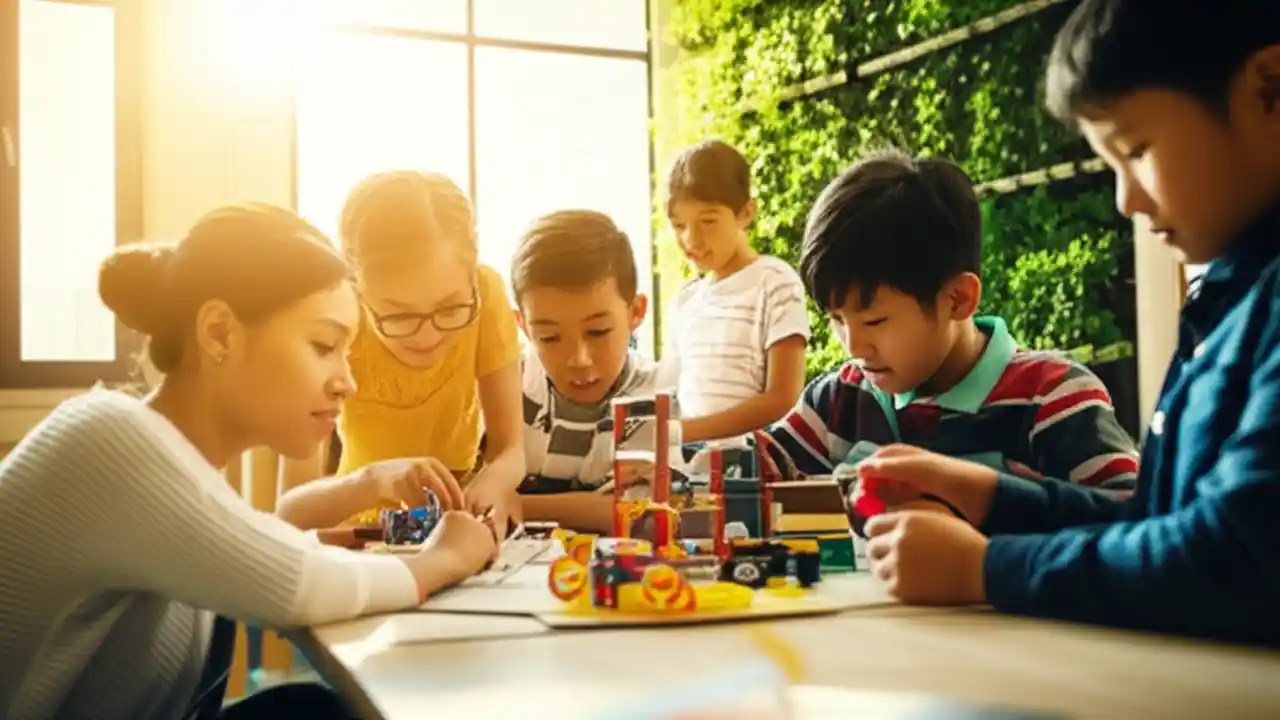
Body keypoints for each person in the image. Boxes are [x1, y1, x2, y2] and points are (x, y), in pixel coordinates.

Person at [855, 0, 1280, 645]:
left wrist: (984, 568)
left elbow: (1236, 558)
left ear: (1269, 93)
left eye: (1137, 150)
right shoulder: (1233, 296)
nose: (1125, 199)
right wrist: (993, 498)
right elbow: (1153, 528)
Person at [0, 205, 498, 720]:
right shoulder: (108, 438)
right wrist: (448, 555)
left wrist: (314, 539)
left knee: (313, 708)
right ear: (219, 332)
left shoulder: (173, 460)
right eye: (324, 345)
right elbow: (297, 588)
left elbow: (242, 554)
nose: (346, 381)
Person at [751, 149, 1137, 492]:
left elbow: (1134, 521)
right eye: (837, 319)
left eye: (875, 321)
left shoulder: (1053, 399)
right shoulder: (840, 402)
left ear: (957, 299)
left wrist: (1004, 499)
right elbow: (759, 467)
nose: (853, 347)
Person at [277, 171, 524, 533]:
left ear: (473, 276)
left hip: (456, 526)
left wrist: (492, 483)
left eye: (451, 308)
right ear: (356, 288)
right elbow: (289, 512)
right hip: (358, 531)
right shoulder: (331, 320)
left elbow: (510, 450)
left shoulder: (487, 295)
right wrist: (373, 481)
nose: (427, 335)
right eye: (399, 314)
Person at [509, 210, 659, 531]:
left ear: (636, 312)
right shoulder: (505, 388)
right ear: (521, 325)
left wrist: (511, 503)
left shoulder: (653, 395)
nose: (578, 359)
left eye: (598, 331)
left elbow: (634, 513)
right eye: (549, 337)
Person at [660, 140, 810, 443]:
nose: (692, 239)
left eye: (708, 221)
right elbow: (670, 396)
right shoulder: (684, 303)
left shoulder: (775, 282)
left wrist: (683, 433)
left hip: (753, 470)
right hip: (688, 474)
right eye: (679, 225)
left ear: (745, 213)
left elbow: (783, 397)